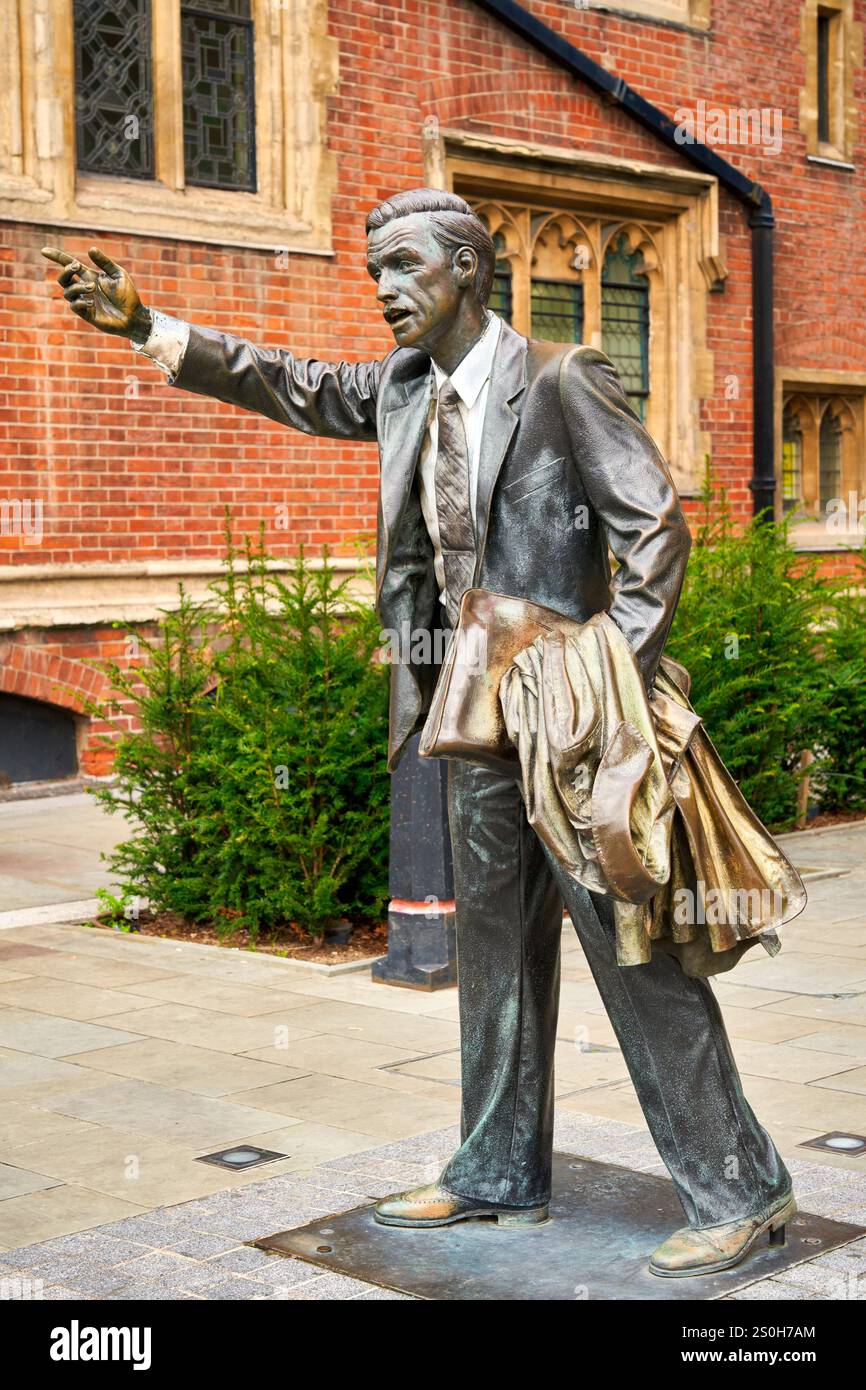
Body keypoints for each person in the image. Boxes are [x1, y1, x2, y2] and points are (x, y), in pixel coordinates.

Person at [42, 189, 795, 1278]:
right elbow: (289, 383)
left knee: (632, 950)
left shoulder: (557, 379)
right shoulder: (400, 387)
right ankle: (494, 1169)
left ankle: (742, 1189)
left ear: (469, 273)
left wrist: (601, 681)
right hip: (466, 709)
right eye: (373, 274)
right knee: (491, 951)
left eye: (404, 269)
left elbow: (654, 534)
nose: (385, 291)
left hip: (568, 716)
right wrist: (149, 325)